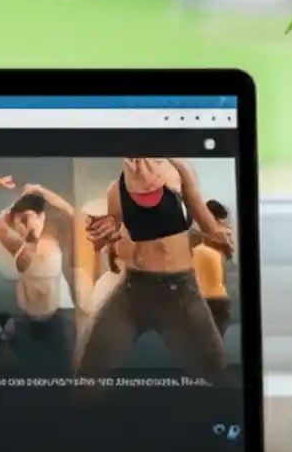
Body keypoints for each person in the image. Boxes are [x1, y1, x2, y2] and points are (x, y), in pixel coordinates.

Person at [75, 158, 233, 384]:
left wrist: (218, 233)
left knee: (215, 372)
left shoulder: (179, 169)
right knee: (89, 371)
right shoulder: (115, 190)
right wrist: (102, 235)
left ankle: (230, 417)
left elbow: (201, 213)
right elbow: (114, 238)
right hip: (132, 289)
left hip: (178, 291)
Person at [0, 186, 80, 371]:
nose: (24, 227)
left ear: (42, 218)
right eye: (18, 222)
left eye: (27, 219)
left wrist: (41, 191)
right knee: (26, 369)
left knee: (62, 371)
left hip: (58, 317)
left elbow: (71, 214)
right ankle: (1, 334)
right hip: (27, 318)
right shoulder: (9, 254)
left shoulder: (49, 246)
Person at [192, 199, 233, 336]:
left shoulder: (221, 240)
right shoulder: (196, 238)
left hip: (215, 299)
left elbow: (228, 254)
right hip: (202, 299)